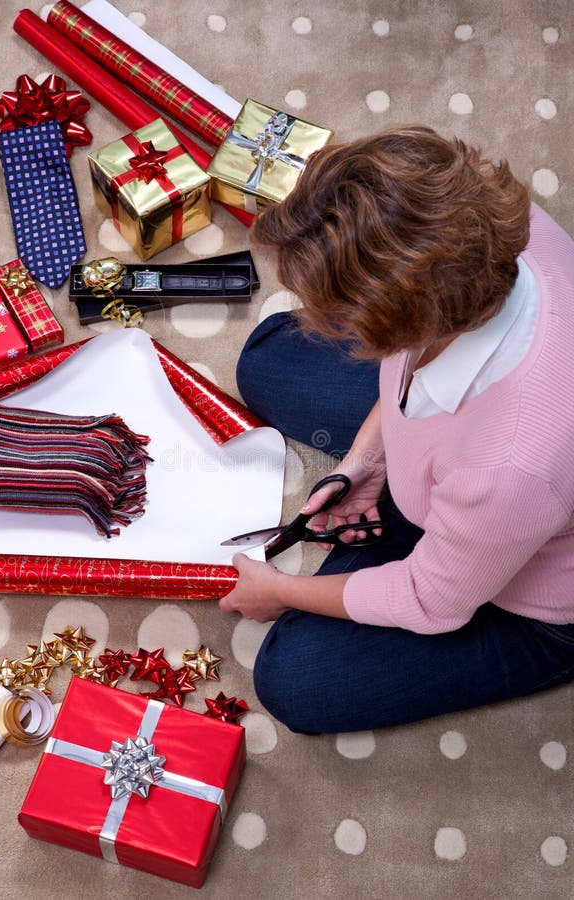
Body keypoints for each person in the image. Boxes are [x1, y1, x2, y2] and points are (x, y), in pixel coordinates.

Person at [219, 126, 574, 735]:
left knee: (294, 679)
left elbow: (431, 602)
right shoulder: (487, 222)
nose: (316, 320)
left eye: (339, 321)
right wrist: (366, 462)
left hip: (533, 594)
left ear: (404, 319)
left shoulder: (511, 468)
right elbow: (404, 369)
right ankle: (418, 519)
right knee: (268, 357)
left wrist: (281, 591)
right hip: (468, 481)